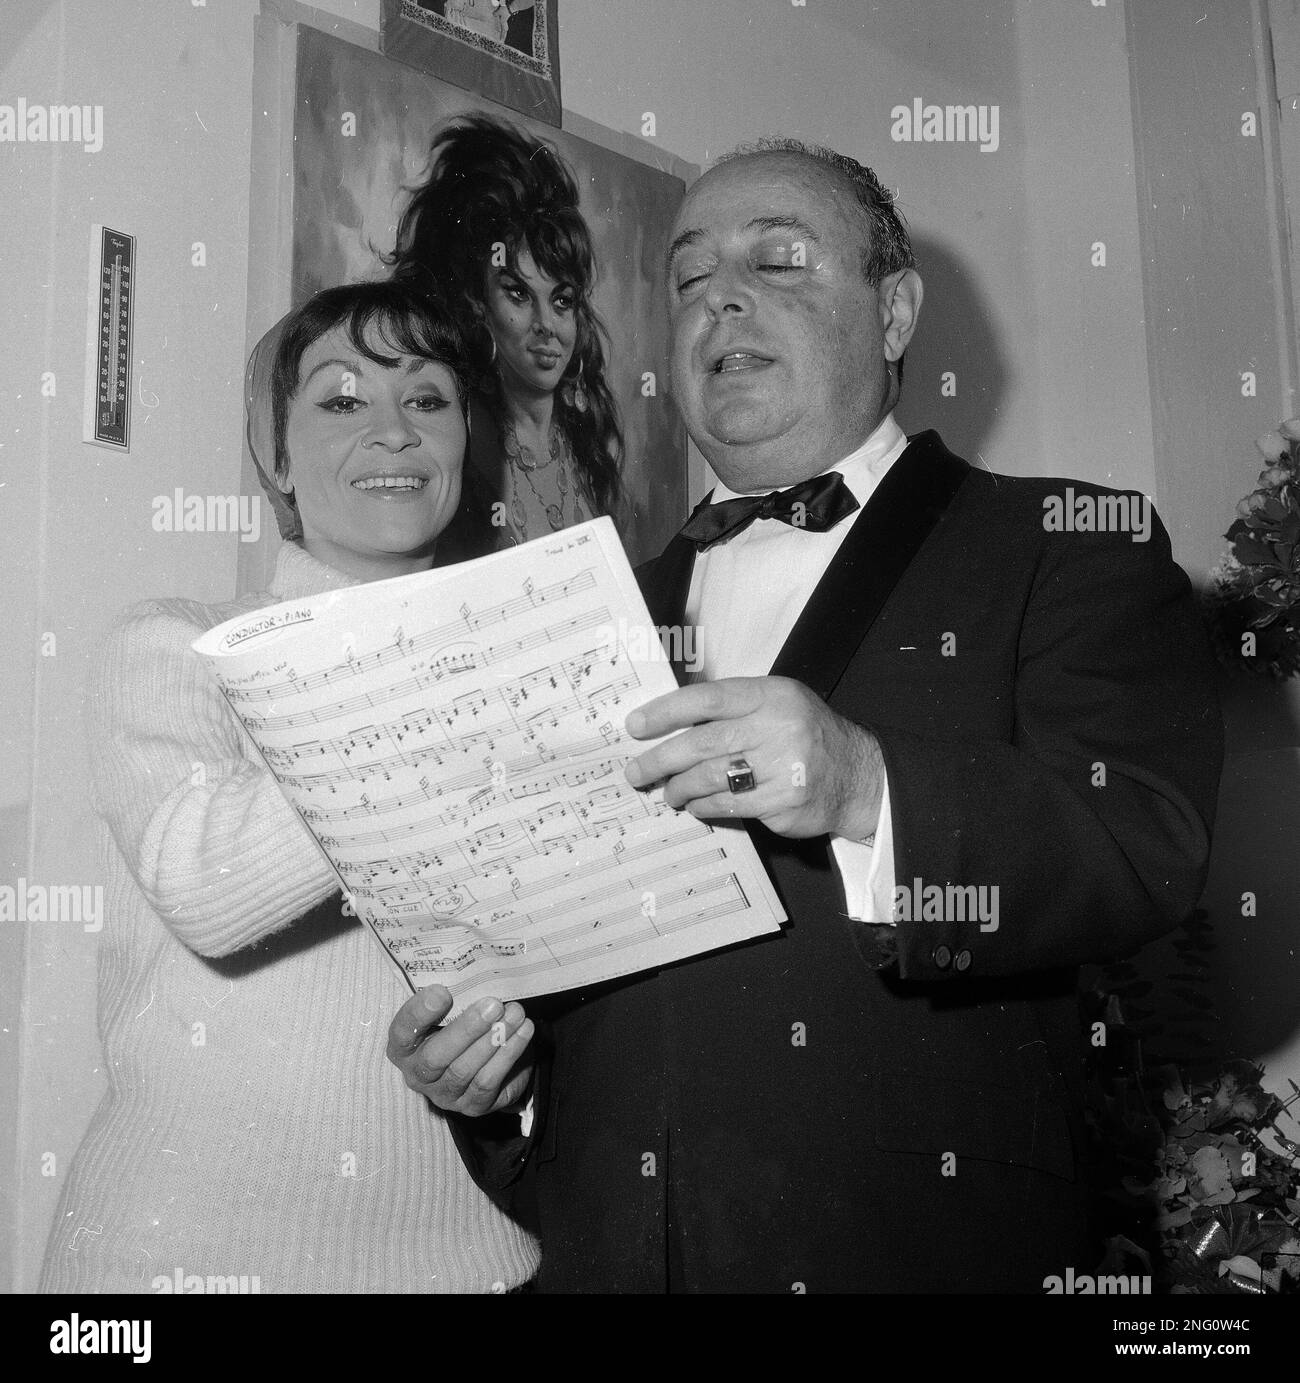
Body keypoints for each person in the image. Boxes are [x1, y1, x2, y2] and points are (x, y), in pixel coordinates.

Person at [386, 140, 1224, 1292]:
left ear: (894, 314)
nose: (720, 295)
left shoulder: (1067, 542)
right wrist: (495, 1080)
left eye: (776, 260)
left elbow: (1142, 840)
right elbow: (554, 976)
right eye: (687, 279)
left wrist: (866, 784)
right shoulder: (575, 613)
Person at [40, 282, 539, 1294]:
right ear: (273, 454)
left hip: (477, 1263)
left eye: (430, 400)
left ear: (464, 442)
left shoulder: (522, 675)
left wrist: (513, 1072)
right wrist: (444, 679)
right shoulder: (176, 645)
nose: (393, 432)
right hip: (174, 1265)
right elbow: (212, 892)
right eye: (343, 401)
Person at [387, 114, 624, 562]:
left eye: (562, 301)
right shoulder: (459, 442)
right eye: (518, 294)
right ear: (479, 301)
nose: (545, 325)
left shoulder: (589, 442)